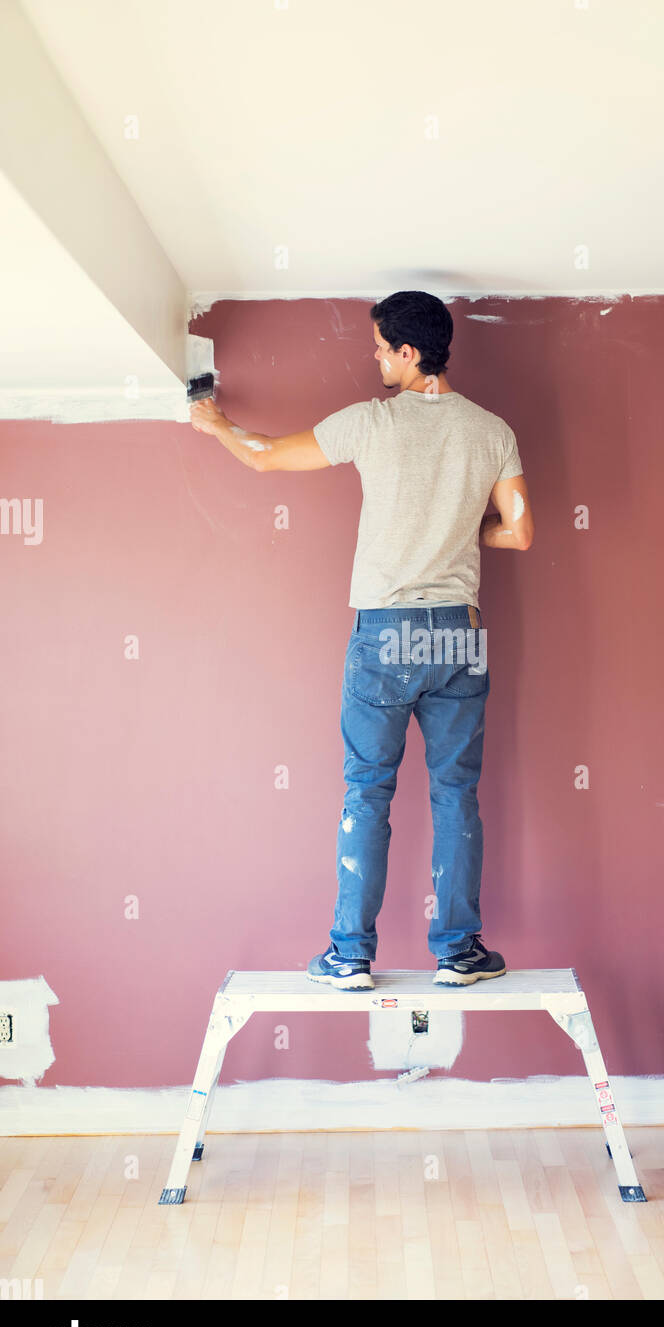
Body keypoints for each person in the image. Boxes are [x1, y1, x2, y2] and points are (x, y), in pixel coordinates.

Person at [190, 290, 534, 991]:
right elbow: (520, 531)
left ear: (410, 354)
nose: (374, 357)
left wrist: (214, 422)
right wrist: (467, 534)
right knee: (455, 793)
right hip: (457, 637)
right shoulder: (493, 432)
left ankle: (349, 955)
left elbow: (262, 457)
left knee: (367, 791)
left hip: (386, 632)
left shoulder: (372, 423)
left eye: (381, 348)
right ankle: (460, 952)